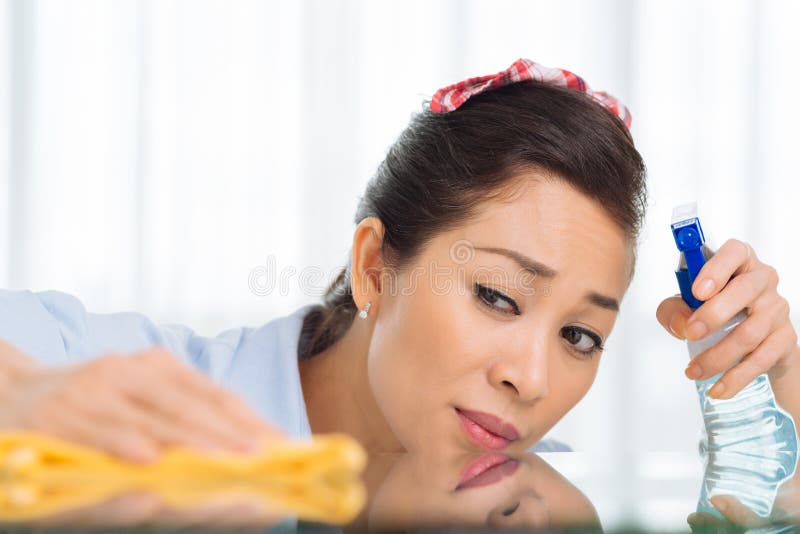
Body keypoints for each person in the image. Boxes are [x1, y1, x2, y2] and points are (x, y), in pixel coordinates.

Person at [0, 59, 797, 464]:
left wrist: (781, 404)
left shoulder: (548, 497)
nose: (532, 380)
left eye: (580, 337)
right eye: (497, 296)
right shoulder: (118, 378)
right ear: (375, 268)